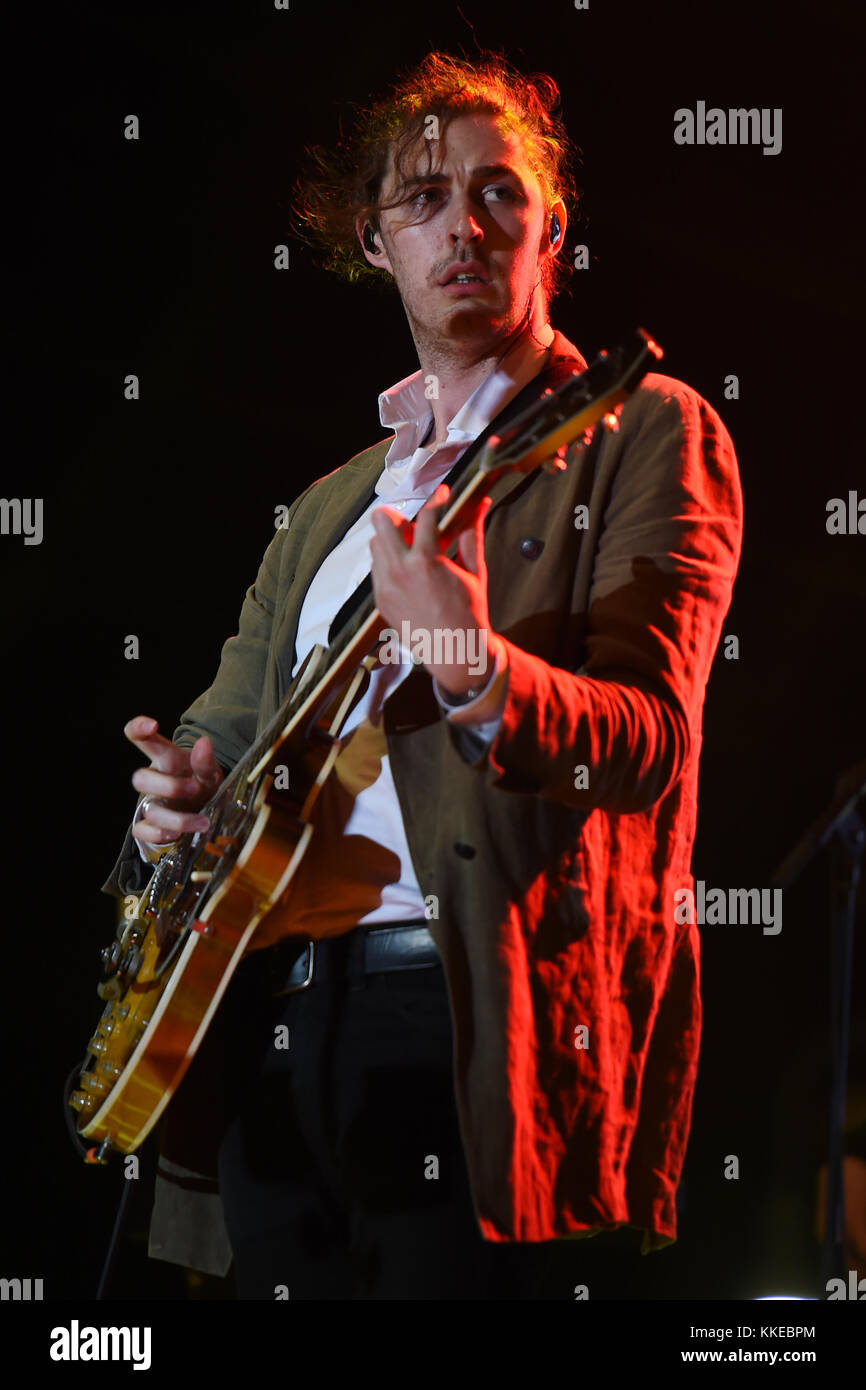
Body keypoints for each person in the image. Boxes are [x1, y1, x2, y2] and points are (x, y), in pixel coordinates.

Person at [102, 51, 743, 1299]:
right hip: (279, 1024)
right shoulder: (327, 508)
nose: (463, 222)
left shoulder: (644, 427)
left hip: (473, 1018)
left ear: (548, 227)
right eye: (424, 197)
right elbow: (219, 729)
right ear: (373, 242)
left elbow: (646, 739)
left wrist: (463, 652)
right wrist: (176, 795)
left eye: (498, 190)